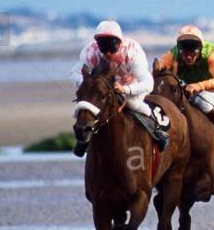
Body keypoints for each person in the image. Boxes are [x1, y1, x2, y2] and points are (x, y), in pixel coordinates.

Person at [70, 19, 167, 153]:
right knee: (87, 106)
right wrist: (89, 85)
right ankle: (83, 139)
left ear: (120, 44)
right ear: (97, 45)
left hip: (131, 87)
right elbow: (73, 74)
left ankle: (157, 130)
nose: (108, 53)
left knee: (132, 104)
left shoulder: (132, 52)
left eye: (112, 47)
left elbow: (148, 84)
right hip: (103, 89)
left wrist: (125, 89)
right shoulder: (90, 52)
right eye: (103, 47)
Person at [153, 24, 214, 156]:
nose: (188, 57)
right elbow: (160, 71)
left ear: (200, 48)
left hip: (212, 87)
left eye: (193, 52)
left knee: (201, 102)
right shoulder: (173, 54)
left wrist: (198, 86)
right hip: (187, 86)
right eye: (184, 52)